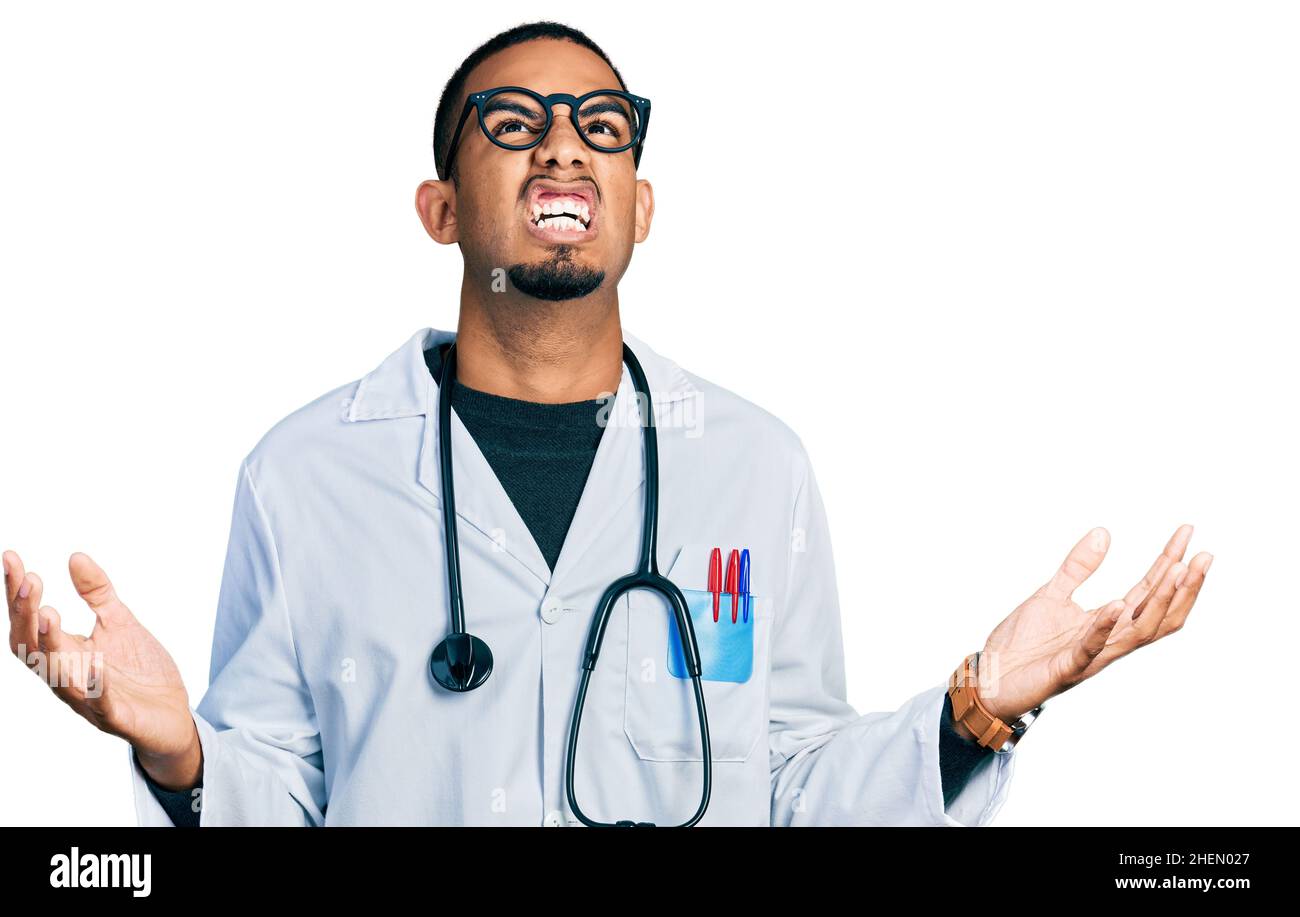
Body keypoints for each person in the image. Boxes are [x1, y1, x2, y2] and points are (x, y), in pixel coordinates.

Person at [5, 21, 1212, 827]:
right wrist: (182, 753)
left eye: (599, 123)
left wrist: (978, 702)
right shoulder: (303, 471)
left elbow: (787, 784)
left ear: (638, 203)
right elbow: (286, 794)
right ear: (439, 209)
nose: (562, 146)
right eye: (513, 124)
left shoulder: (753, 466)